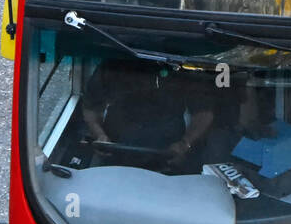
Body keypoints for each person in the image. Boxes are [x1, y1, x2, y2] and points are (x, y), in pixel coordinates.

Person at [81, 58, 213, 168]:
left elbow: (204, 114)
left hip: (168, 156)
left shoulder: (182, 64)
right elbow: (91, 108)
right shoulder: (113, 62)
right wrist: (99, 135)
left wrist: (185, 144)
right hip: (115, 152)